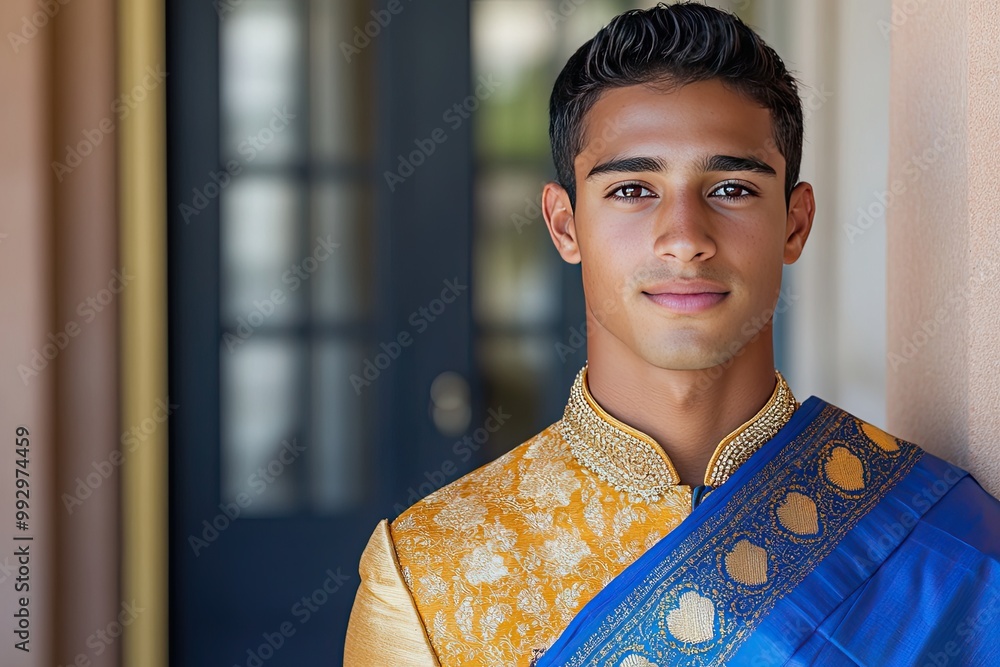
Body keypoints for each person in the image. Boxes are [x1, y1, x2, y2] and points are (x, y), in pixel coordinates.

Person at [343, 3, 1000, 665]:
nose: (685, 238)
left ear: (795, 224)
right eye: (632, 189)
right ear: (565, 225)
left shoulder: (942, 542)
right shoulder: (429, 577)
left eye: (733, 188)